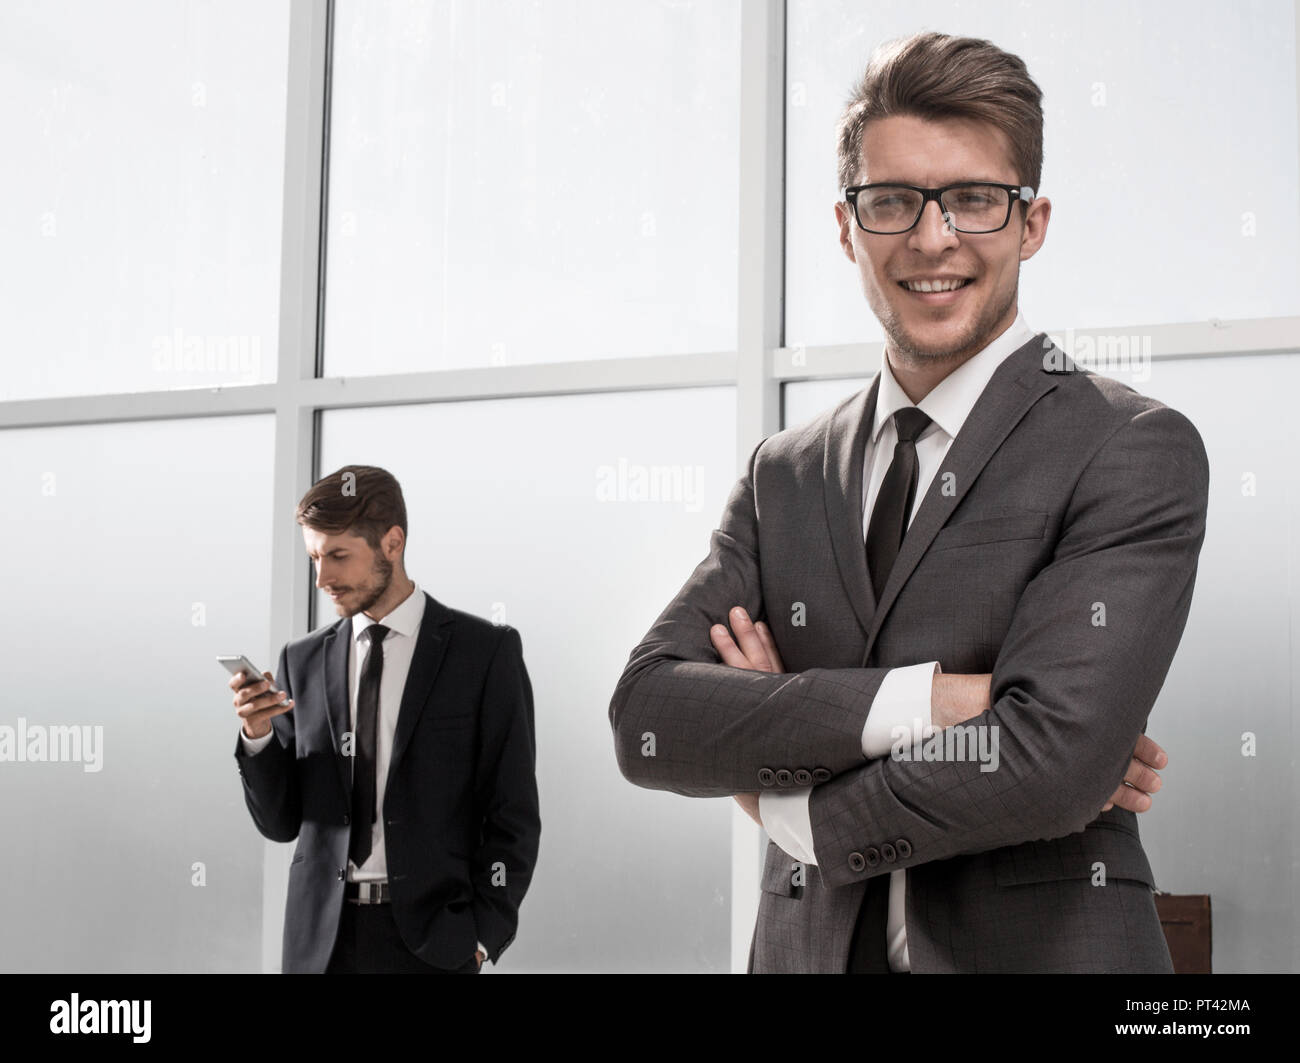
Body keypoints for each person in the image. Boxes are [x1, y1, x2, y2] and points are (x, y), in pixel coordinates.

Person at [609, 31, 1208, 973]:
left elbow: (1052, 766)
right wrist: (938, 701)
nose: (934, 239)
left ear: (1032, 222)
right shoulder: (785, 472)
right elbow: (648, 719)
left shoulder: (1128, 445)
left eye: (974, 198)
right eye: (893, 202)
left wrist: (786, 793)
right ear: (848, 226)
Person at [232, 465, 540, 973]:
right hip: (321, 947)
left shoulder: (483, 653)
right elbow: (280, 823)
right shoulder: (300, 660)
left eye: (337, 556)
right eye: (314, 557)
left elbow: (513, 815)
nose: (322, 578)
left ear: (392, 543)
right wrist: (258, 736)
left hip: (434, 945)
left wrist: (484, 934)